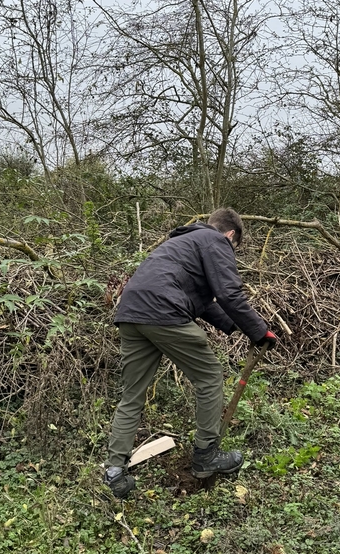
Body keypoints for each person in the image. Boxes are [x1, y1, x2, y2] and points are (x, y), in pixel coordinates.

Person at [103, 207, 277, 500]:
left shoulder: (181, 244)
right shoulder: (216, 241)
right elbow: (228, 293)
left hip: (131, 314)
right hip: (163, 313)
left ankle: (114, 471)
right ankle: (206, 455)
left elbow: (204, 301)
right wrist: (260, 331)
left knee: (132, 394)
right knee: (209, 377)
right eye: (234, 248)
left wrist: (236, 326)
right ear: (231, 235)